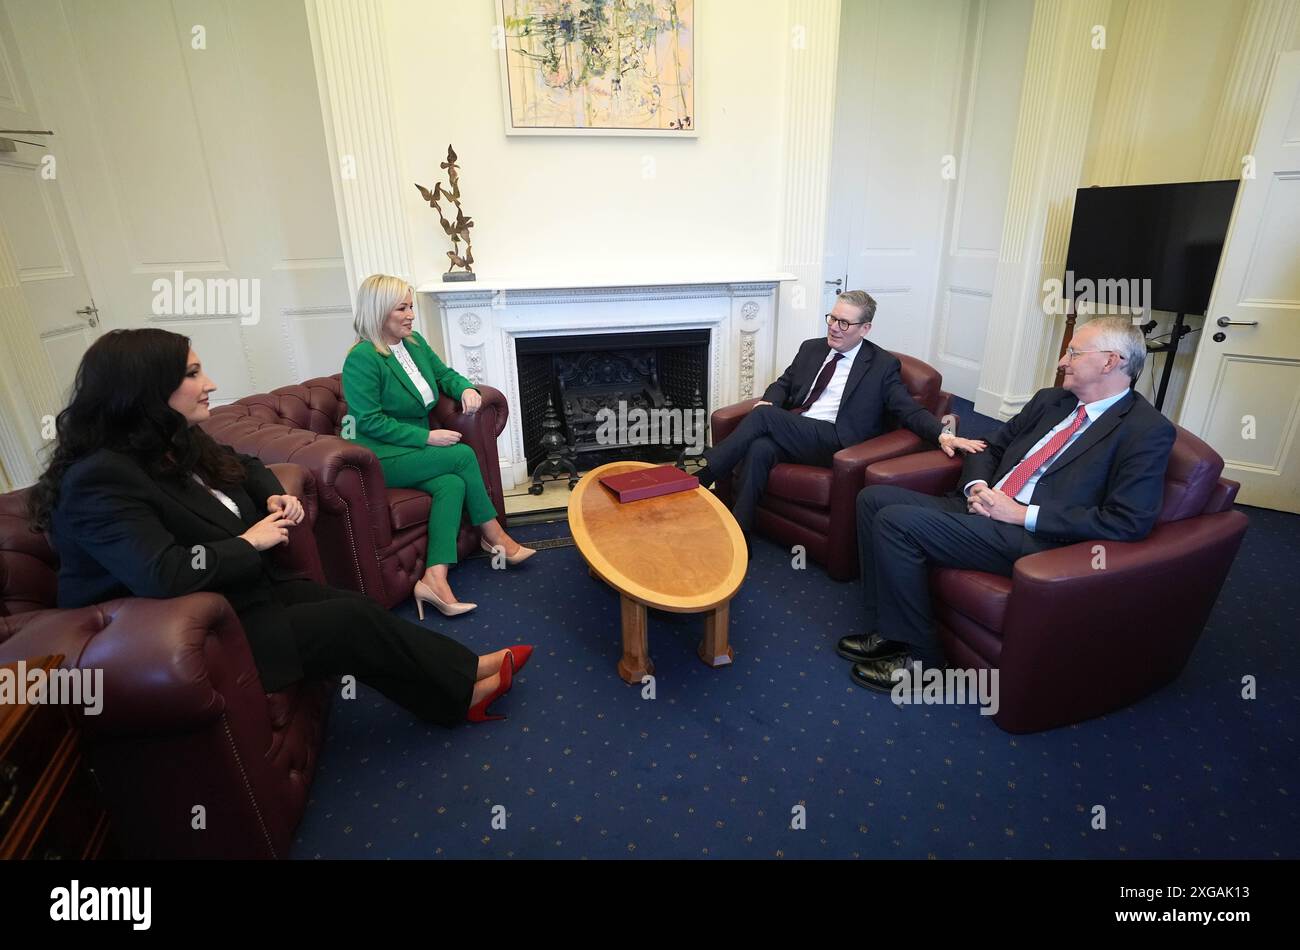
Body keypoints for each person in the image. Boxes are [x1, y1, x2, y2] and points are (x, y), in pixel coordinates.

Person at [30, 329, 527, 724]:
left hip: (240, 594)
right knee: (349, 624)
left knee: (353, 605)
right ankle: (461, 694)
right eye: (194, 373)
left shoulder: (169, 439)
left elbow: (243, 464)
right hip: (187, 626)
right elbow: (163, 574)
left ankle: (465, 671)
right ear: (145, 392)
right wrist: (249, 541)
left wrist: (273, 492)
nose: (211, 384)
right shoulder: (98, 479)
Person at [842, 315, 1177, 692]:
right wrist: (977, 487)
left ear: (1110, 362)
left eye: (1073, 352)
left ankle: (923, 662)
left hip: (1033, 537)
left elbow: (1129, 521)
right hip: (984, 505)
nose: (1062, 361)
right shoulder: (1052, 400)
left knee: (896, 522)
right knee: (873, 498)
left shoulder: (1146, 431)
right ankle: (891, 630)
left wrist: (1021, 514)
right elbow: (991, 445)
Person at [694, 290, 986, 538]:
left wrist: (942, 434)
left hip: (838, 440)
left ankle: (704, 474)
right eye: (832, 319)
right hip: (802, 430)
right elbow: (782, 384)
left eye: (844, 323)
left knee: (762, 417)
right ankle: (739, 534)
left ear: (865, 328)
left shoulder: (882, 365)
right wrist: (770, 400)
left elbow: (907, 409)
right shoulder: (812, 348)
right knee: (759, 446)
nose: (834, 327)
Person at [341, 274, 534, 618]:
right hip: (378, 455)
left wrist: (465, 389)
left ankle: (434, 577)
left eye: (411, 306)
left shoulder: (412, 344)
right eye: (402, 308)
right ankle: (494, 536)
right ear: (379, 311)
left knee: (452, 483)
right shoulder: (363, 358)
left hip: (410, 451)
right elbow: (367, 421)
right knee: (461, 455)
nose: (411, 314)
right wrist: (427, 437)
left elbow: (444, 374)